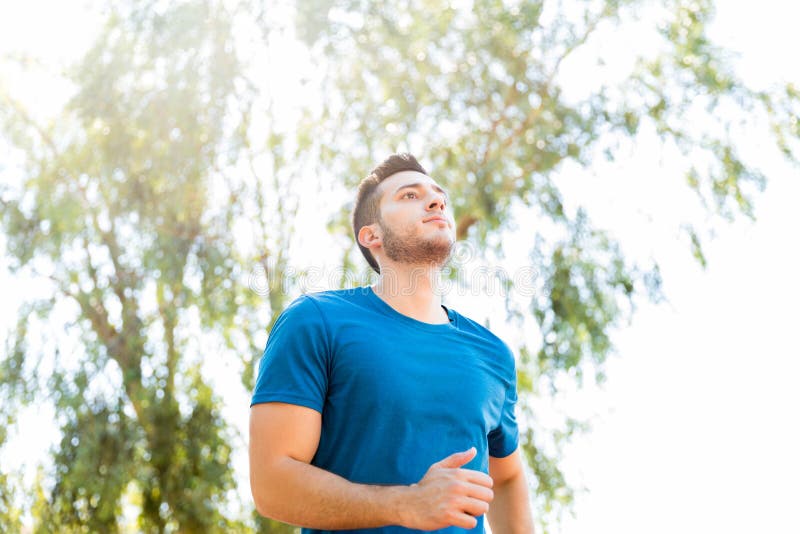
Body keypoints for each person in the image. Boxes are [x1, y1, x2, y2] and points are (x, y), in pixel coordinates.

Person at [249, 153, 534, 533]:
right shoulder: (316, 321)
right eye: (409, 196)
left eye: (438, 196)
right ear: (371, 235)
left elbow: (507, 477)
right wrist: (406, 504)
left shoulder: (493, 354)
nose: (436, 202)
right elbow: (272, 485)